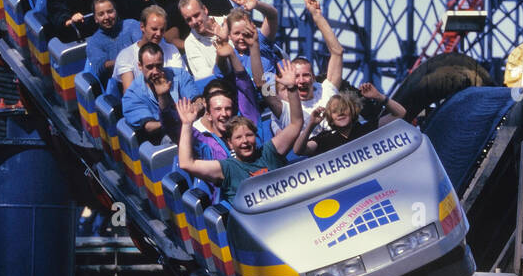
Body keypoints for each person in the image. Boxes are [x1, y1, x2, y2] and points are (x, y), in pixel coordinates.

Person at [176, 77, 304, 204]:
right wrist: (187, 124)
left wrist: (292, 89)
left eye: (249, 135)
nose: (245, 141)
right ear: (230, 143)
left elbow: (296, 124)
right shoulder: (228, 168)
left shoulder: (269, 153)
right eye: (238, 137)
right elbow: (186, 163)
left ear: (256, 136)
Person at [120, 42, 200, 142]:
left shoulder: (180, 75)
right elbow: (150, 127)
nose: (155, 71)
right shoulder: (132, 94)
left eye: (159, 66)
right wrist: (176, 118)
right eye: (149, 67)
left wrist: (196, 107)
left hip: (192, 124)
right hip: (162, 137)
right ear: (140, 66)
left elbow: (199, 101)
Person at [292, 0, 344, 113]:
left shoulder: (325, 91)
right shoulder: (285, 105)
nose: (301, 80)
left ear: (313, 78)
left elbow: (337, 52)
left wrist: (317, 16)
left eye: (306, 75)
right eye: (296, 76)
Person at [112, 5, 182, 91]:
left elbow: (181, 81)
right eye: (154, 29)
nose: (159, 34)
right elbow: (130, 93)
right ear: (142, 27)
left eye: (162, 30)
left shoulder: (172, 50)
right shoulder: (126, 55)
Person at [293, 91, 374, 156]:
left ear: (352, 111)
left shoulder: (365, 129)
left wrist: (380, 97)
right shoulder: (324, 139)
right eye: (335, 111)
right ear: (330, 117)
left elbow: (387, 123)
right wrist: (311, 125)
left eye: (343, 109)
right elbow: (298, 151)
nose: (340, 113)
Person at [178, 0, 228, 80]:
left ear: (205, 9)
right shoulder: (190, 43)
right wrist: (222, 47)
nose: (194, 22)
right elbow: (205, 77)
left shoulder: (227, 22)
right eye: (189, 19)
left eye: (196, 15)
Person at [83, 0, 123, 84]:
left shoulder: (131, 25)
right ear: (95, 19)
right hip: (116, 83)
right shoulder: (93, 43)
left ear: (116, 12)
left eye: (110, 12)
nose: (107, 17)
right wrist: (124, 60)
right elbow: (101, 68)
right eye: (101, 14)